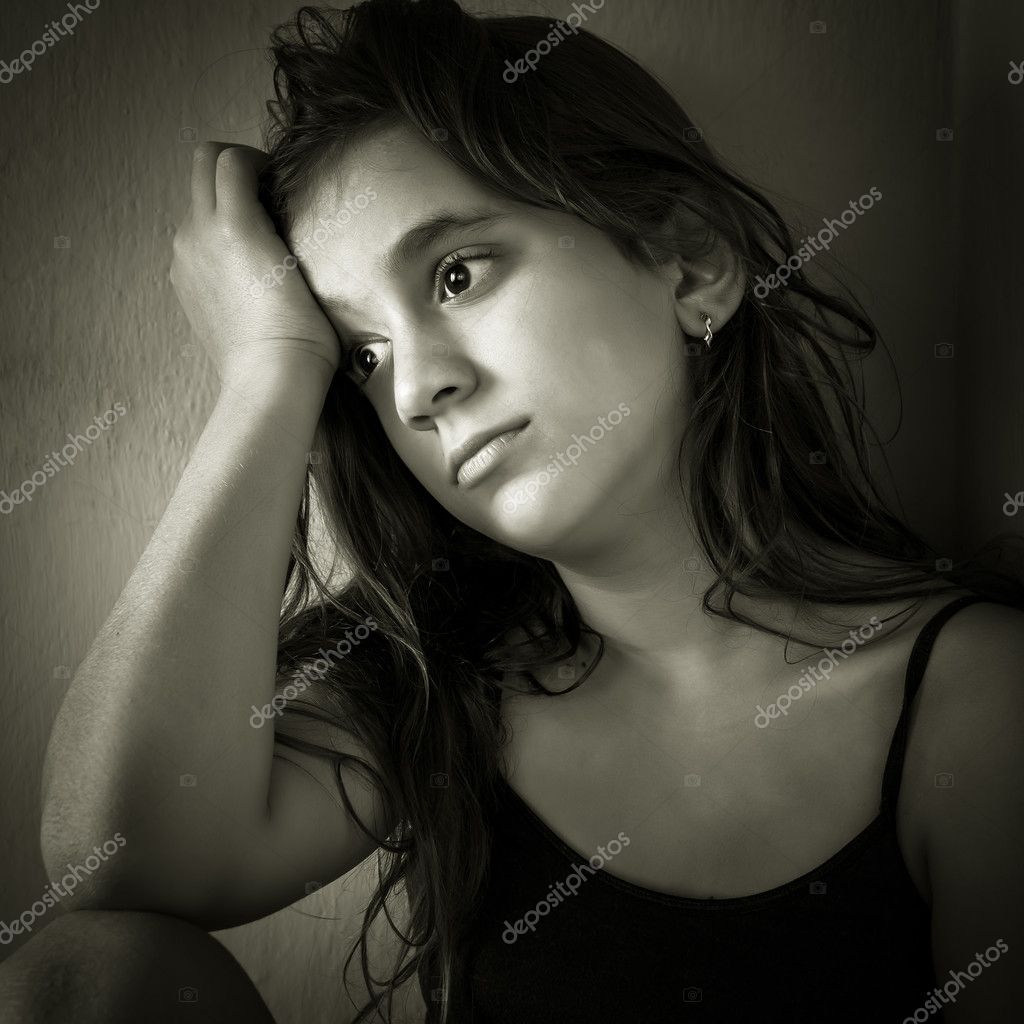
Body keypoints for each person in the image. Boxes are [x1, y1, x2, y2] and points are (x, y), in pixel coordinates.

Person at [4, 1, 1022, 1022]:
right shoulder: (447, 683)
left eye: (456, 274)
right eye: (363, 357)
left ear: (691, 264)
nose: (415, 392)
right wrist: (270, 373)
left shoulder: (973, 697)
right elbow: (113, 863)